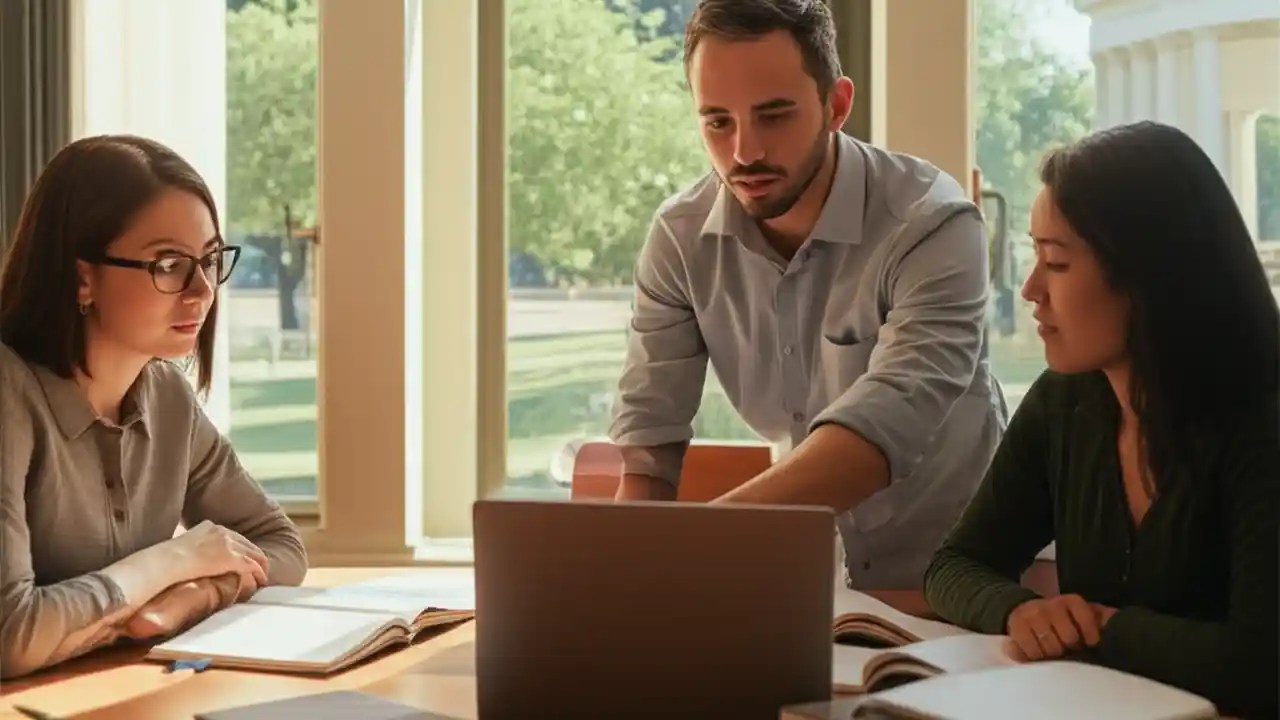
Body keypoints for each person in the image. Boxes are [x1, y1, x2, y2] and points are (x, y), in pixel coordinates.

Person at [608, 0, 1006, 595]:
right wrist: (618, 581)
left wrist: (690, 544)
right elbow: (649, 448)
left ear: (836, 105)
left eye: (773, 116)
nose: (744, 152)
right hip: (820, 581)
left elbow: (880, 433)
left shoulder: (933, 223)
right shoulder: (680, 238)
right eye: (718, 121)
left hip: (964, 576)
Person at [922, 121, 1278, 718]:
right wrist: (1021, 611)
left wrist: (1098, 629)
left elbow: (1263, 663)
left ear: (1147, 277)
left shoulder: (1263, 424)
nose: (1031, 289)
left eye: (1056, 263)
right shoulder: (1065, 401)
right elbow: (955, 565)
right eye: (1033, 257)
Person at [0, 134, 308, 679]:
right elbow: (11, 636)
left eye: (210, 259)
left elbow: (281, 546)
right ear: (82, 277)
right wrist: (173, 560)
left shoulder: (167, 396)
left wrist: (195, 595)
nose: (202, 290)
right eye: (168, 263)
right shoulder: (8, 393)